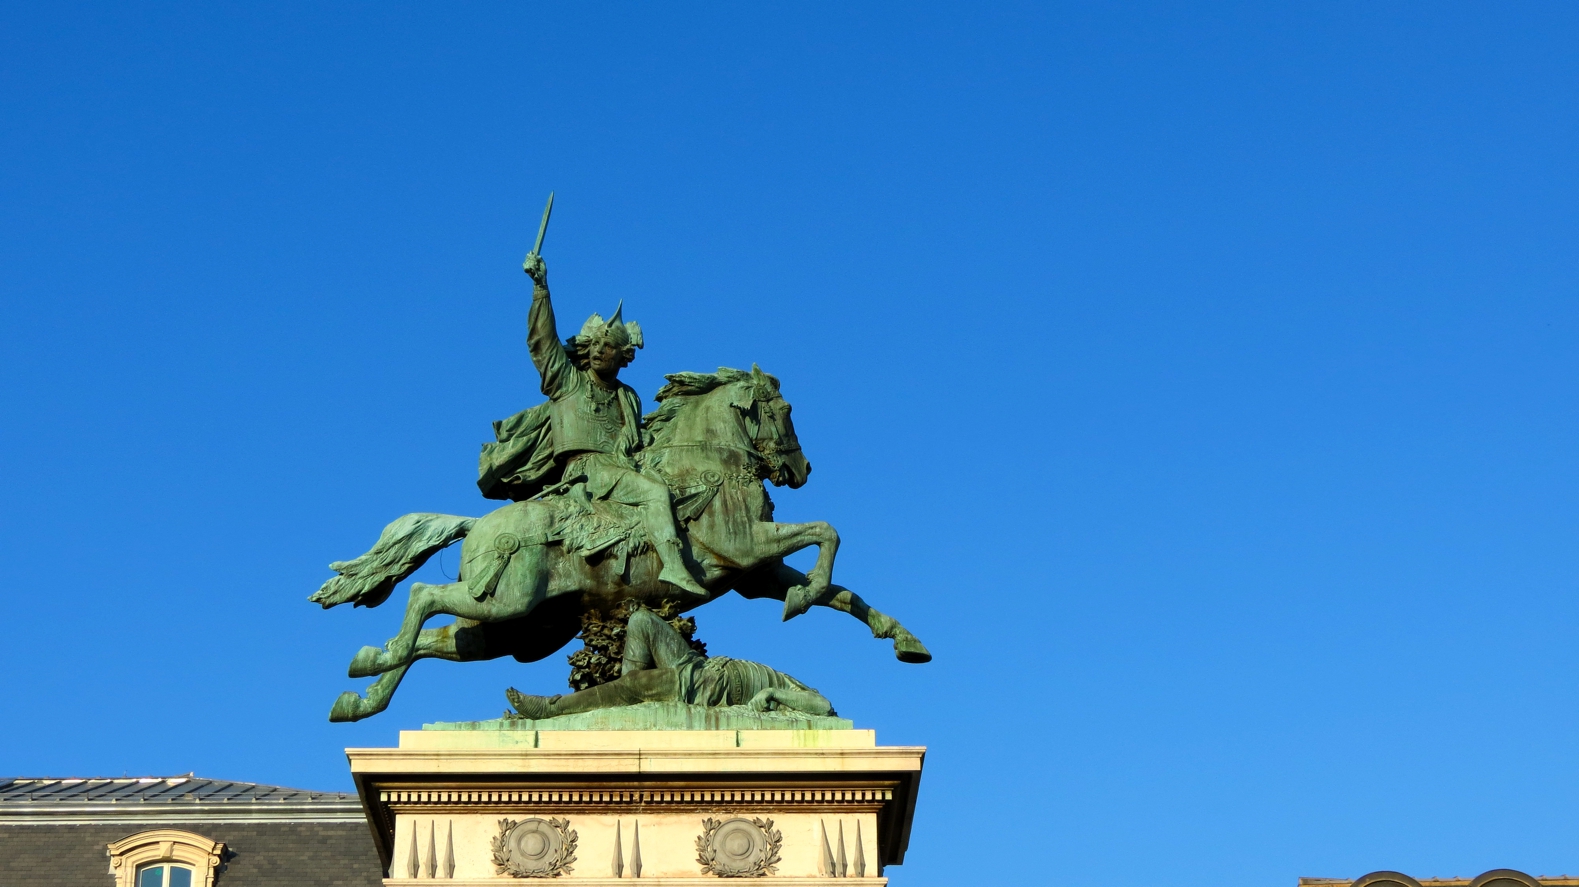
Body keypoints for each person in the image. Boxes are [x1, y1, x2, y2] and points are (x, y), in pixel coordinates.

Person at [513, 253, 708, 597]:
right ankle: (673, 566)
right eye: (595, 344)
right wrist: (541, 288)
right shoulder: (568, 381)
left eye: (608, 346)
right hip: (588, 471)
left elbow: (639, 439)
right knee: (654, 493)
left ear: (624, 355)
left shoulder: (628, 396)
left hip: (621, 467)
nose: (598, 350)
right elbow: (543, 342)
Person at [506, 605, 835, 719]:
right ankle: (625, 695)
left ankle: (553, 708)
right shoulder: (792, 683)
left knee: (636, 683)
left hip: (710, 687)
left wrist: (772, 693)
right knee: (641, 620)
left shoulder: (800, 697)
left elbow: (822, 705)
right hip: (702, 667)